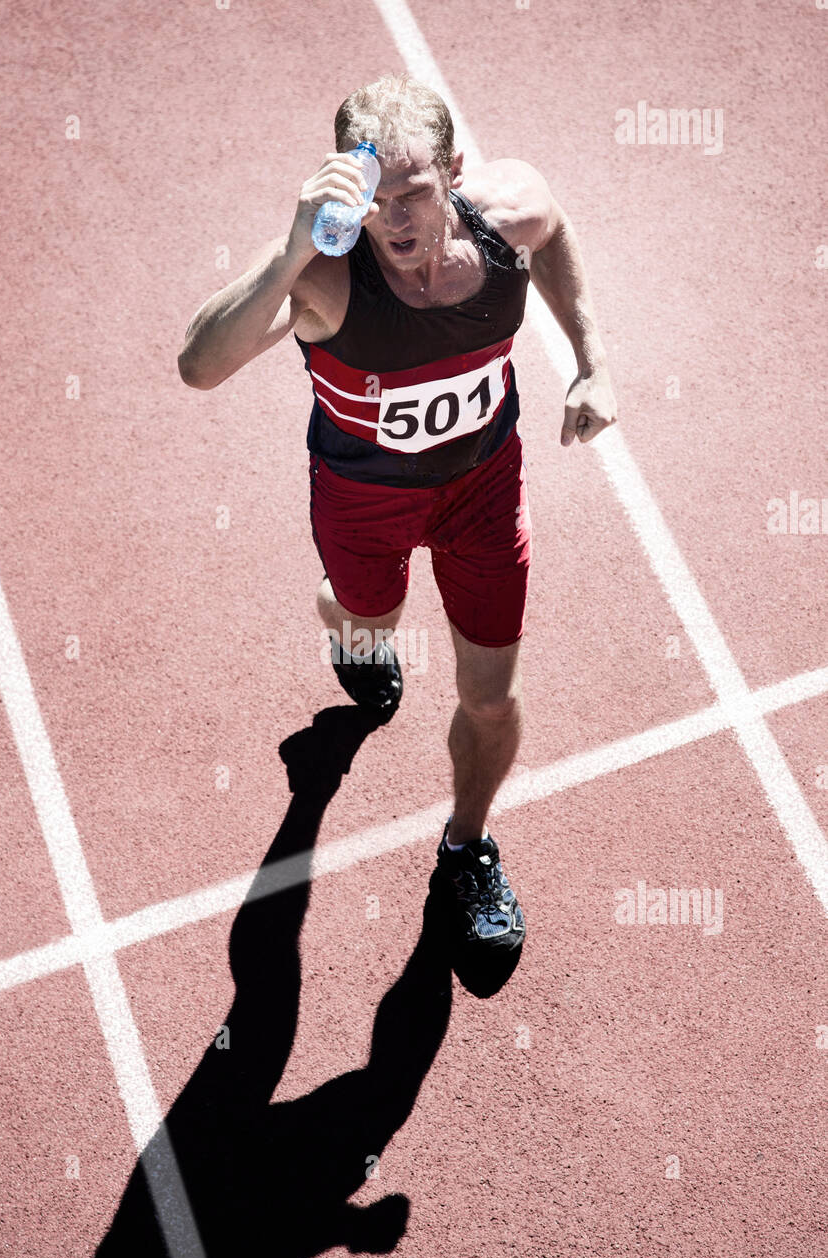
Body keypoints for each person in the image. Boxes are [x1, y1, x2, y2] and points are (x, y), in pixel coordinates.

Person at [178, 73, 617, 978]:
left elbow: (558, 231)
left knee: (489, 694)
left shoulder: (511, 211)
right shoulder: (328, 276)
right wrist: (287, 253)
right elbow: (198, 366)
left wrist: (591, 363)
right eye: (371, 196)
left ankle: (465, 849)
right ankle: (349, 624)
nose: (393, 217)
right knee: (365, 618)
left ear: (455, 171)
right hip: (362, 500)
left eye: (413, 192)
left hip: (483, 491)